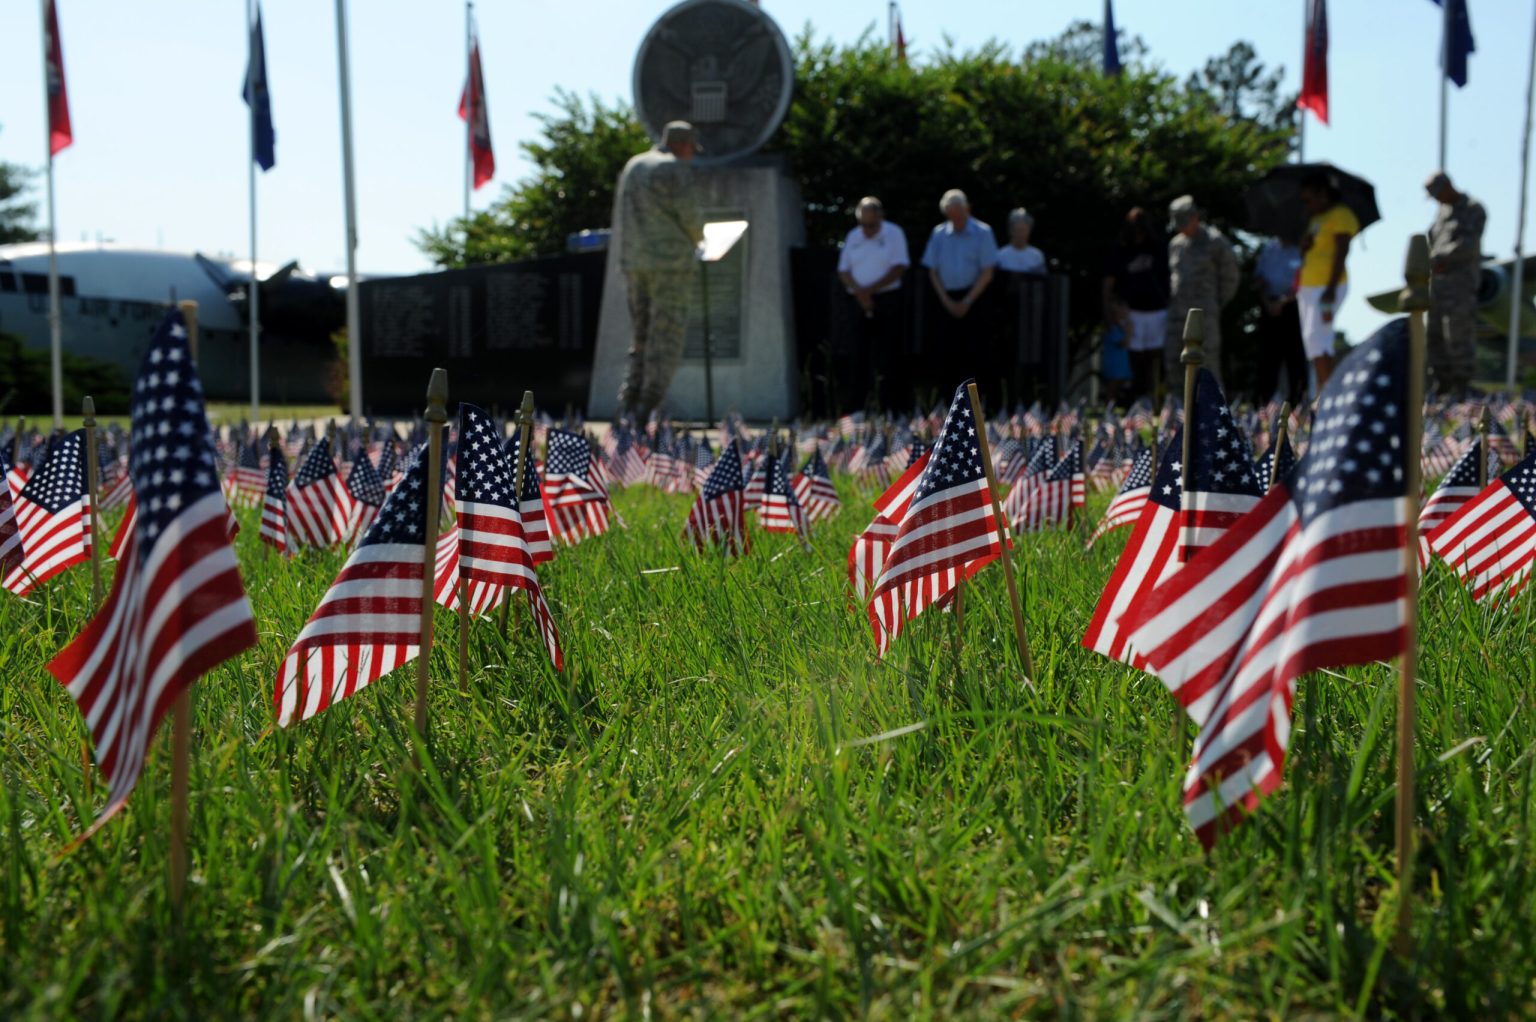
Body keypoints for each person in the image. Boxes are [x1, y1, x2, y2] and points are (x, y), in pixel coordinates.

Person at [614, 120, 704, 418]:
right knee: (665, 339)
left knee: (640, 339)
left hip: (634, 265)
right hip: (671, 267)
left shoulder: (634, 165)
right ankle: (646, 408)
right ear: (682, 144)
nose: (692, 154)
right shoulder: (673, 168)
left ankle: (628, 403)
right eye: (692, 147)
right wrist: (700, 237)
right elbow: (691, 218)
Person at [835, 197, 910, 412]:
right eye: (863, 225)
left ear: (881, 218)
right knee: (856, 355)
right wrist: (861, 293)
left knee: (888, 355)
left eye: (872, 225)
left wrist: (870, 290)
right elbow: (843, 270)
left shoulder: (894, 233)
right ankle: (856, 410)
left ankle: (890, 409)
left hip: (886, 300)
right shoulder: (853, 236)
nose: (867, 230)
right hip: (857, 301)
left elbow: (899, 267)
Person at [922, 189, 998, 395]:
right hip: (945, 298)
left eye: (959, 210)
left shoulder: (983, 232)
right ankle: (948, 405)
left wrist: (968, 300)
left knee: (977, 352)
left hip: (975, 298)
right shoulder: (938, 234)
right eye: (951, 212)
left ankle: (978, 405)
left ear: (967, 208)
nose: (956, 216)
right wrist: (947, 301)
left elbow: (988, 271)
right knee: (945, 352)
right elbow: (932, 271)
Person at [1165, 195, 1240, 389]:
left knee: (1207, 367)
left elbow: (1230, 278)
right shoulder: (1175, 245)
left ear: (1195, 217)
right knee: (1174, 363)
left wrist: (1214, 304)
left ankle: (1212, 416)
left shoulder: (1215, 242)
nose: (1181, 228)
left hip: (1204, 315)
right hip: (1177, 316)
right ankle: (1181, 415)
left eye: (1184, 222)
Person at [1425, 171, 1488, 397]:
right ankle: (1441, 383)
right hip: (1438, 285)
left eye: (1436, 193)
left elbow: (1468, 245)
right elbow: (1431, 241)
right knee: (1434, 335)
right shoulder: (1441, 213)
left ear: (1448, 186)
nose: (1436, 199)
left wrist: (1441, 259)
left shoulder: (1472, 209)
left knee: (1458, 334)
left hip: (1460, 285)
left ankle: (1462, 385)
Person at [1295, 172, 1357, 390]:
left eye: (1309, 199)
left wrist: (1330, 288)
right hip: (1308, 288)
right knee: (1312, 341)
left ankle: (1327, 393)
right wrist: (1305, 247)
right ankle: (1324, 390)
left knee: (1319, 337)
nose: (1308, 204)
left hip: (1327, 287)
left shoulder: (1341, 214)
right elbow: (1306, 255)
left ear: (1323, 194)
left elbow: (1342, 252)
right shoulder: (1315, 219)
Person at [1102, 207, 1170, 402]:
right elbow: (1108, 284)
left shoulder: (1158, 248)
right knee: (1132, 358)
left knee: (1156, 359)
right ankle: (1133, 399)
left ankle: (1156, 398)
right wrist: (1110, 314)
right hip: (1130, 312)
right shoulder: (1121, 250)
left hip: (1158, 310)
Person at [1253, 234, 1306, 405]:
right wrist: (1267, 301)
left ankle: (1298, 404)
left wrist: (1284, 301)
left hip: (1293, 306)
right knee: (1267, 358)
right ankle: (1264, 405)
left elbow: (1303, 281)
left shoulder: (1302, 249)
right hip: (1269, 306)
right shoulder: (1269, 248)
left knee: (1295, 358)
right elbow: (1259, 277)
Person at [996, 208, 1046, 273]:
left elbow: (1042, 279)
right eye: (1018, 230)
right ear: (1011, 230)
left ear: (1029, 231)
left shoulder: (1037, 255)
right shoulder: (1000, 255)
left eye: (1024, 230)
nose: (1021, 234)